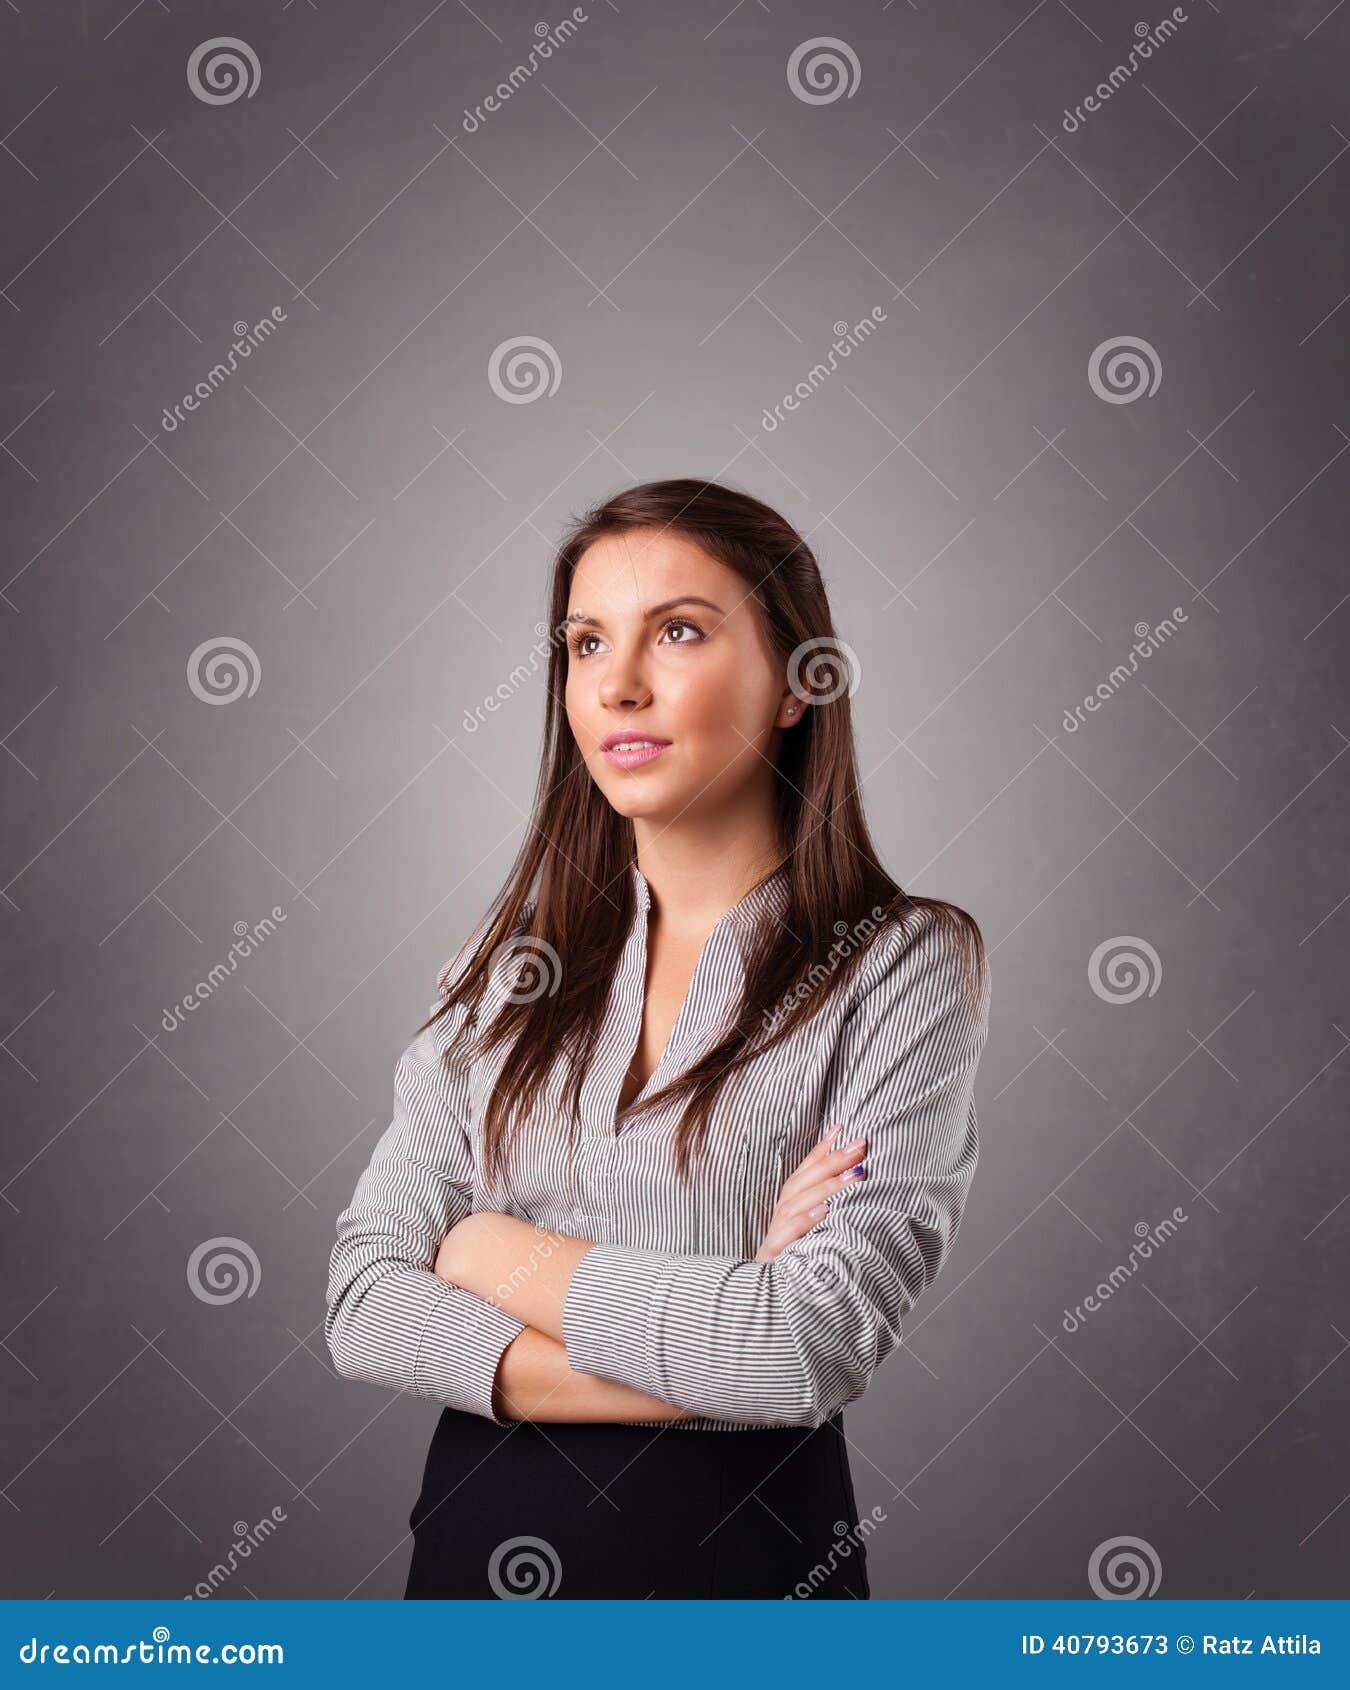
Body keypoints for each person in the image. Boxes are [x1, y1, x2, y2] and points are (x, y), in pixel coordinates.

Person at [325, 478, 991, 1600]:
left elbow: (807, 1345)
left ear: (797, 680)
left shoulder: (901, 962)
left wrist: (491, 1253)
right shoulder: (503, 969)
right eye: (588, 643)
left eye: (678, 631)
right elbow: (363, 1304)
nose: (619, 685)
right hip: (473, 1585)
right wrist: (727, 1316)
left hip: (748, 1586)